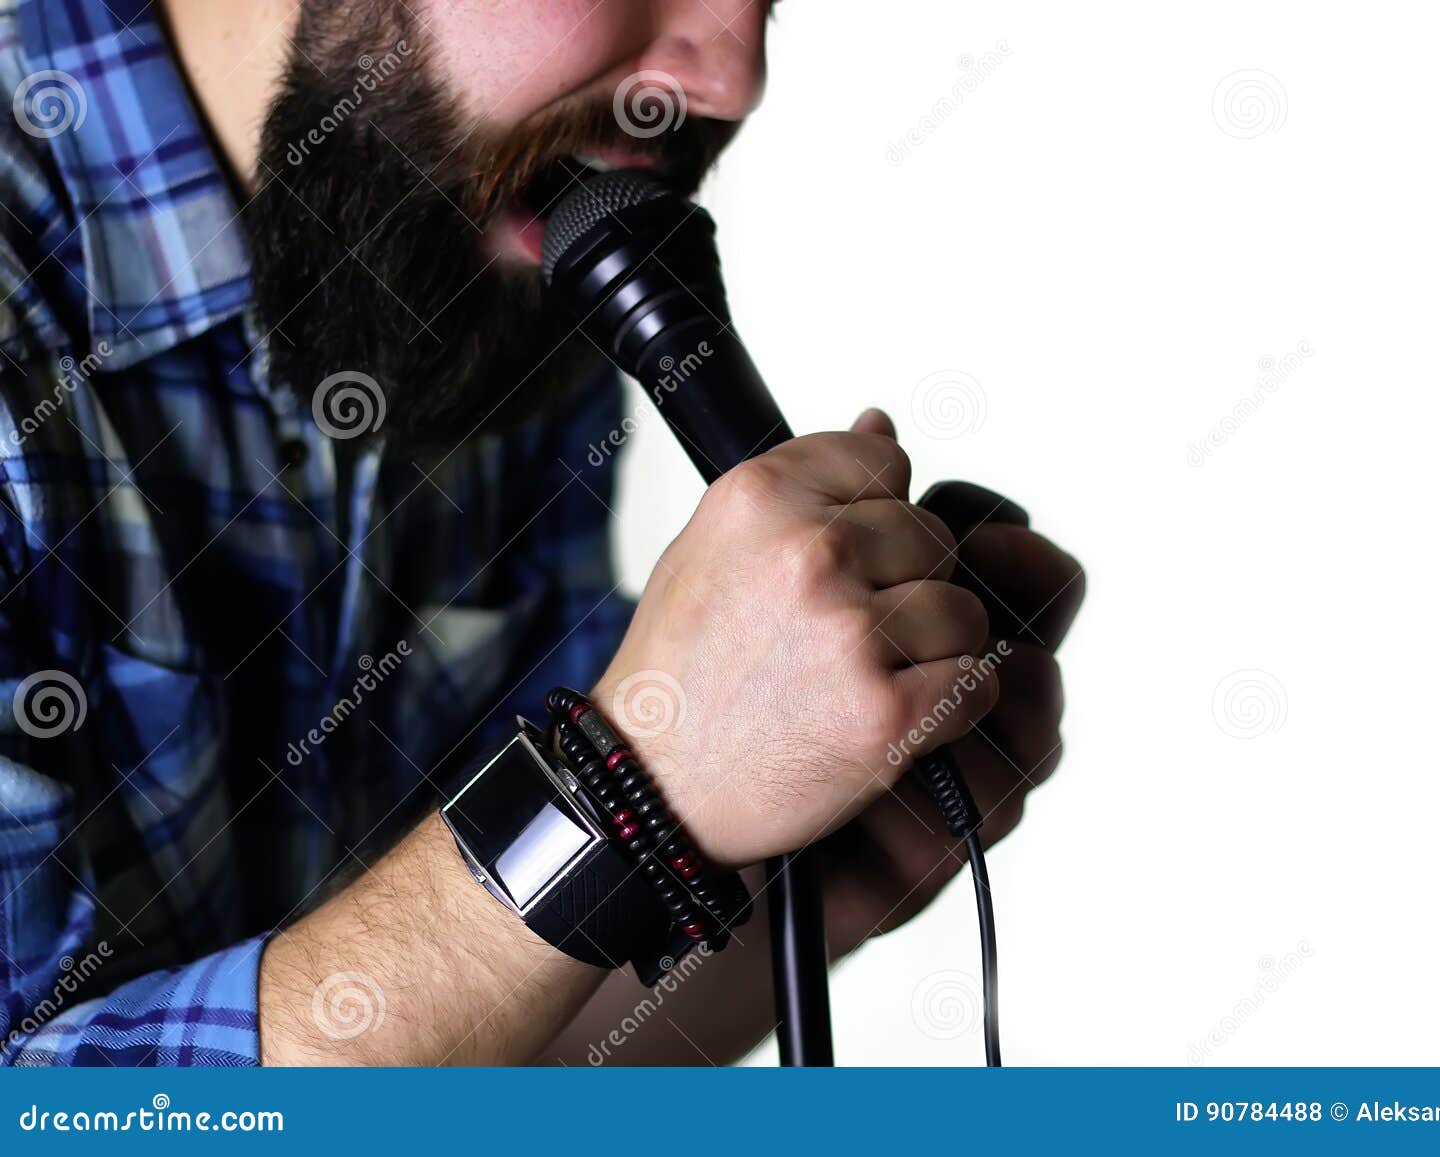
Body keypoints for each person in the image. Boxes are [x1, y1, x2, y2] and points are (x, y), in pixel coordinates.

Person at [0, 0, 1082, 1066]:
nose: (732, 75)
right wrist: (621, 786)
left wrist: (816, 878)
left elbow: (488, 1057)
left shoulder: (477, 262)